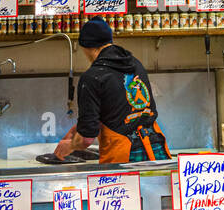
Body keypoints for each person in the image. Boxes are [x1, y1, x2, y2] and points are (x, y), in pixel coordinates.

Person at [55, 17, 171, 163]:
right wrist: (81, 127)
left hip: (124, 159)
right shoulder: (135, 64)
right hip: (156, 151)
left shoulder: (92, 77)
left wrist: (70, 146)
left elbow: (86, 139)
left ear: (85, 46)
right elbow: (118, 111)